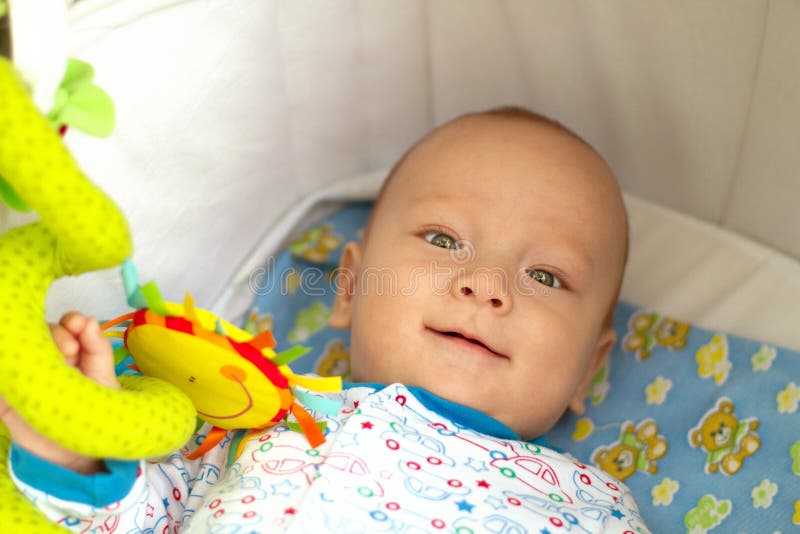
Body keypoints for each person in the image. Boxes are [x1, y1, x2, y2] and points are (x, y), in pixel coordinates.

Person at [1, 107, 647, 532]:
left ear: (589, 366)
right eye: (444, 240)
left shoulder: (591, 506)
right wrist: (77, 448)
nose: (486, 286)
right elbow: (142, 517)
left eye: (546, 276)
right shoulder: (252, 415)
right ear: (350, 287)